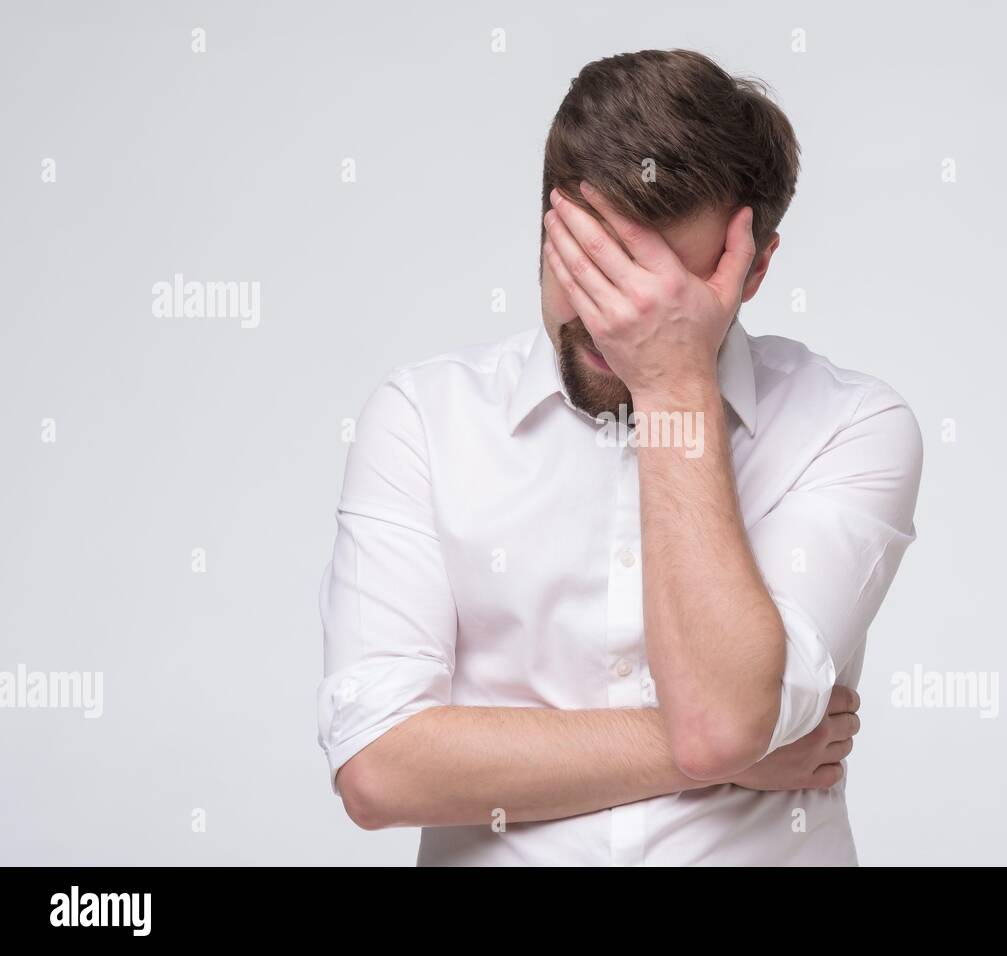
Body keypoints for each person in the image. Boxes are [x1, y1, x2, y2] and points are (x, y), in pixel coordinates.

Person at [317, 49, 922, 866]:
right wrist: (725, 751)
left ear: (753, 271)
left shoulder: (850, 425)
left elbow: (719, 717)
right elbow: (380, 771)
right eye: (593, 265)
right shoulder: (423, 419)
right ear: (545, 224)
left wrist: (674, 387)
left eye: (666, 285)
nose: (619, 321)